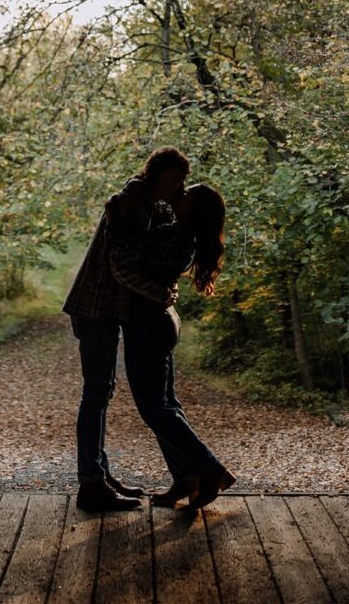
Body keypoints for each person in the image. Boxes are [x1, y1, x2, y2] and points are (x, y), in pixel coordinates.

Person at [61, 147, 188, 512]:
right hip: (95, 307)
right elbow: (122, 268)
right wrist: (161, 293)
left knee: (101, 392)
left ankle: (98, 474)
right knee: (96, 393)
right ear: (161, 175)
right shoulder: (132, 204)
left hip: (105, 311)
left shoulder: (147, 204)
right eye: (176, 179)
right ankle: (91, 483)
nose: (180, 188)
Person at [111, 182, 236, 509]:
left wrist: (116, 214)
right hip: (158, 320)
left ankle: (210, 468)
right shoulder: (177, 233)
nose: (177, 197)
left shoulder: (173, 237)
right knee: (166, 405)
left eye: (185, 196)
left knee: (155, 408)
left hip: (149, 323)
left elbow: (128, 250)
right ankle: (186, 478)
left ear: (193, 211)